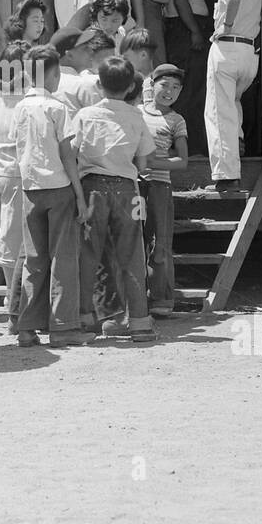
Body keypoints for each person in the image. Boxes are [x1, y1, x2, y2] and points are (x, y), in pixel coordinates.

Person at [67, 56, 156, 342]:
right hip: (127, 189)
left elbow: (72, 150)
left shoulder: (84, 115)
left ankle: (85, 319)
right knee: (132, 255)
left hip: (91, 186)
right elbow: (144, 164)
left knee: (89, 254)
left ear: (98, 84)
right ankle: (140, 321)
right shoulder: (136, 116)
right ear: (131, 86)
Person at [11, 45, 93, 348]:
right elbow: (67, 155)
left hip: (30, 189)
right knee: (64, 258)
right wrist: (80, 196)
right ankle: (63, 327)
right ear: (55, 73)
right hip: (58, 187)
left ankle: (27, 327)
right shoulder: (58, 108)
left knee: (34, 259)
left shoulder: (19, 107)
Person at [204, 0, 262, 190]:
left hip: (228, 48)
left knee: (219, 112)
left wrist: (225, 26)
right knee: (233, 104)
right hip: (249, 52)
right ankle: (236, 146)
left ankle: (226, 177)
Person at [0, 40, 30, 332]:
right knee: (13, 242)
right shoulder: (23, 99)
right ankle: (15, 307)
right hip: (13, 173)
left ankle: (13, 304)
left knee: (7, 236)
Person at [140, 64, 189, 317]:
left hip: (160, 186)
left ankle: (161, 300)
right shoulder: (136, 113)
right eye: (164, 85)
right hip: (134, 187)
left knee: (160, 242)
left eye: (175, 87)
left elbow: (182, 161)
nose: (169, 91)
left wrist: (150, 163)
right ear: (152, 84)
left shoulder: (176, 120)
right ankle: (135, 300)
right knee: (134, 239)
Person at [165, 0, 211, 155]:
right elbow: (181, 1)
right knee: (191, 90)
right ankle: (188, 147)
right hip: (187, 33)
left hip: (181, 32)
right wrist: (194, 31)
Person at [50, 27, 101, 123]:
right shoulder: (83, 85)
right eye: (85, 48)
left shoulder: (45, 84)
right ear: (69, 55)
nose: (91, 51)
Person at [120, 27, 157, 107]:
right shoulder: (127, 81)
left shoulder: (156, 84)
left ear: (143, 55)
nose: (124, 62)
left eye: (126, 58)